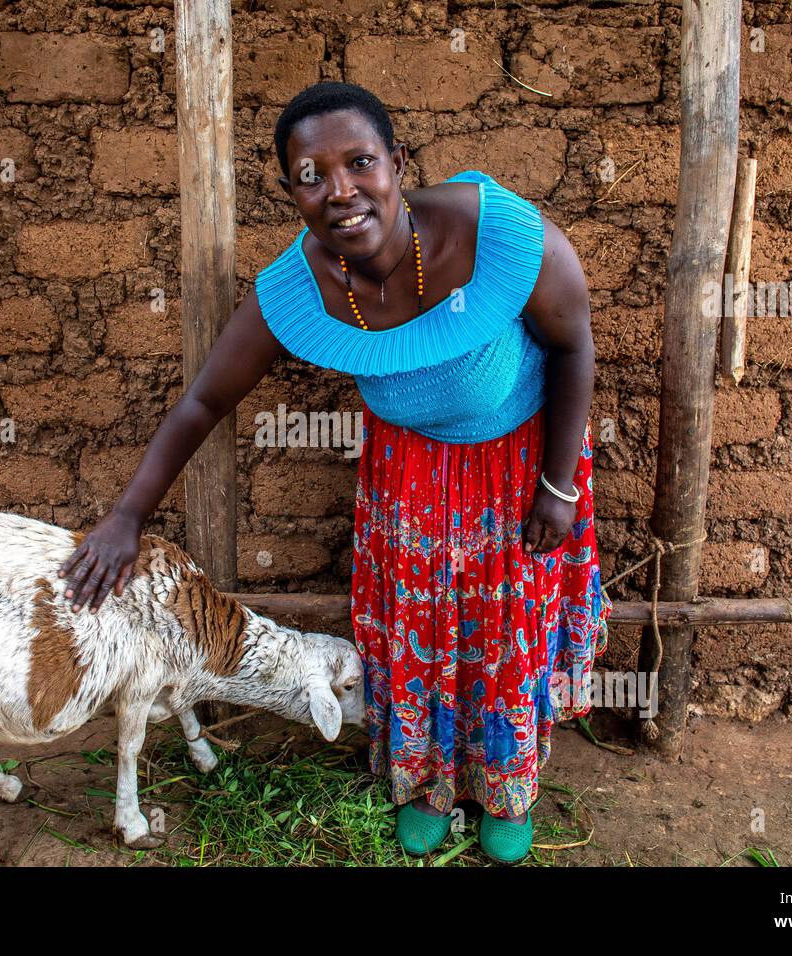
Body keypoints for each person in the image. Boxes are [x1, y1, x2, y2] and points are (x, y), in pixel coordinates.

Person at [59, 81, 611, 864]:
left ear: (398, 162)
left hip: (517, 467)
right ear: (291, 192)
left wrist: (557, 488)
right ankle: (425, 784)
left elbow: (575, 345)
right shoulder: (298, 289)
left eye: (359, 163)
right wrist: (127, 516)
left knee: (504, 636)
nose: (340, 191)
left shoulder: (499, 236)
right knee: (416, 639)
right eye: (311, 176)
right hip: (408, 479)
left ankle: (504, 791)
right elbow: (204, 401)